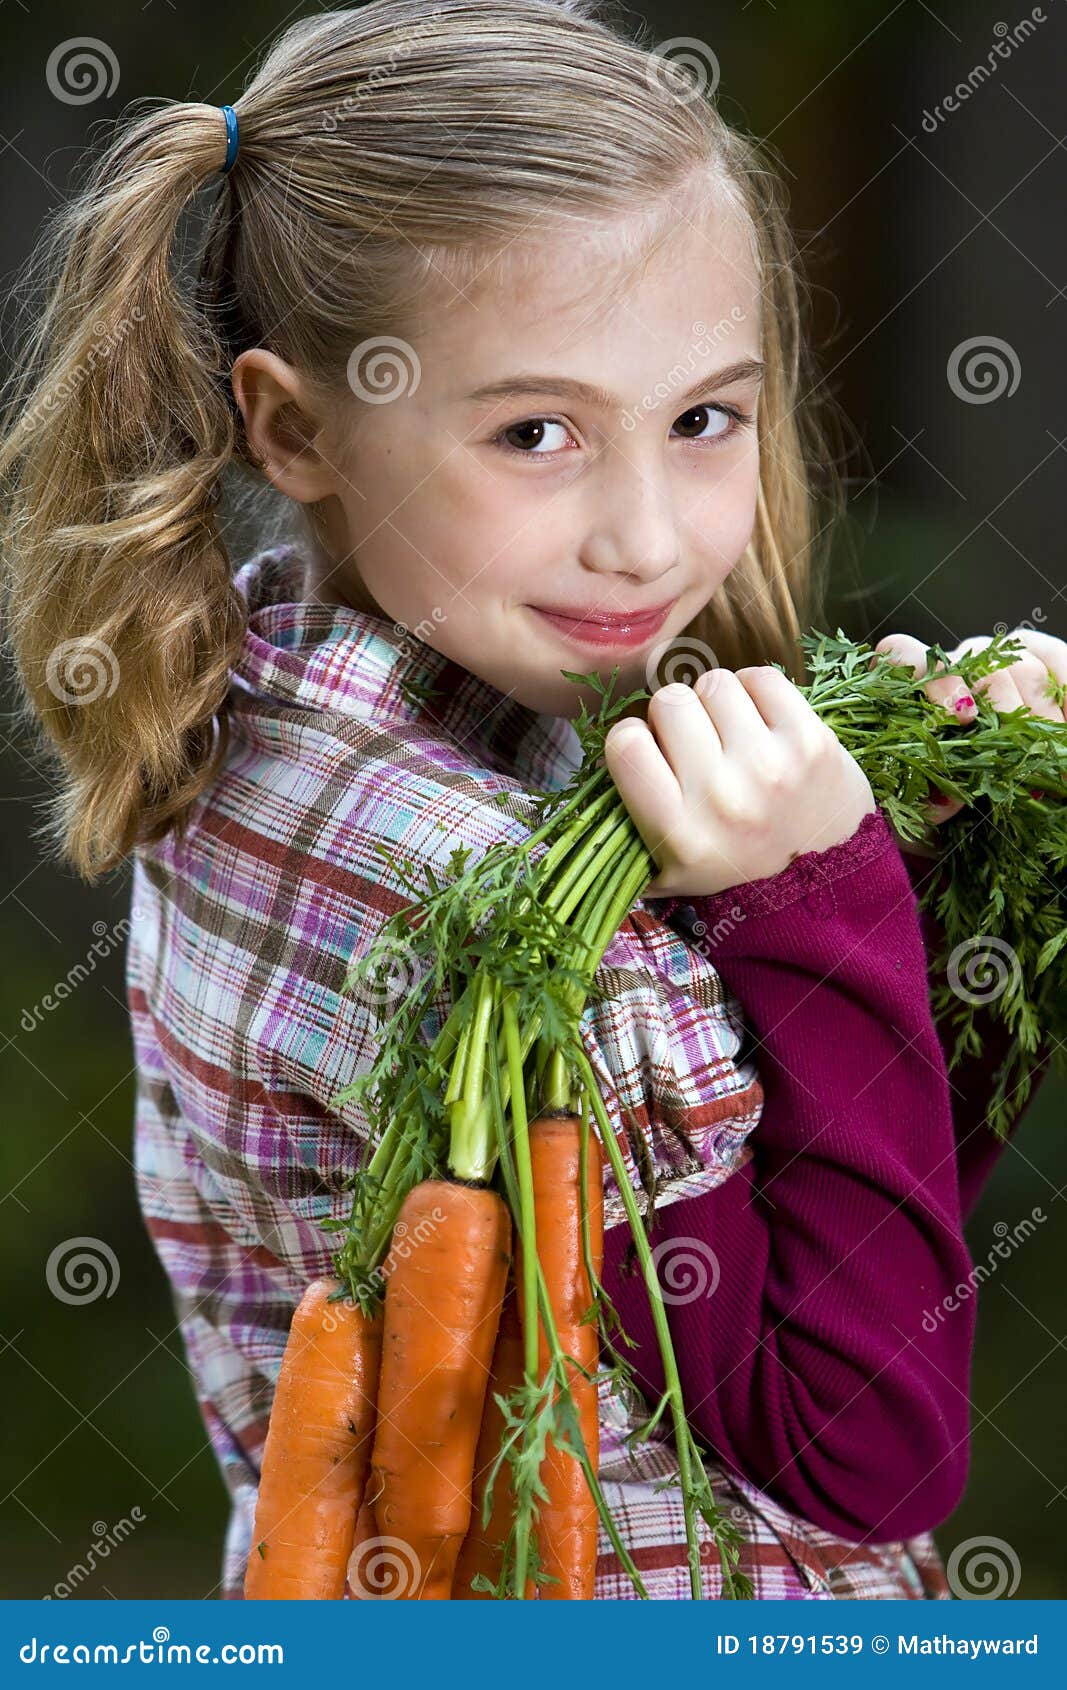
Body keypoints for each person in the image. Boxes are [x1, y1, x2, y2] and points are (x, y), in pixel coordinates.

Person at [0, 0, 1062, 1601]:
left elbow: (849, 1234)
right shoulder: (508, 908)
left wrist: (969, 855)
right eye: (537, 431)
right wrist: (819, 900)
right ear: (293, 424)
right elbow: (868, 1450)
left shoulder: (258, 714)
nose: (644, 538)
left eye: (704, 416)